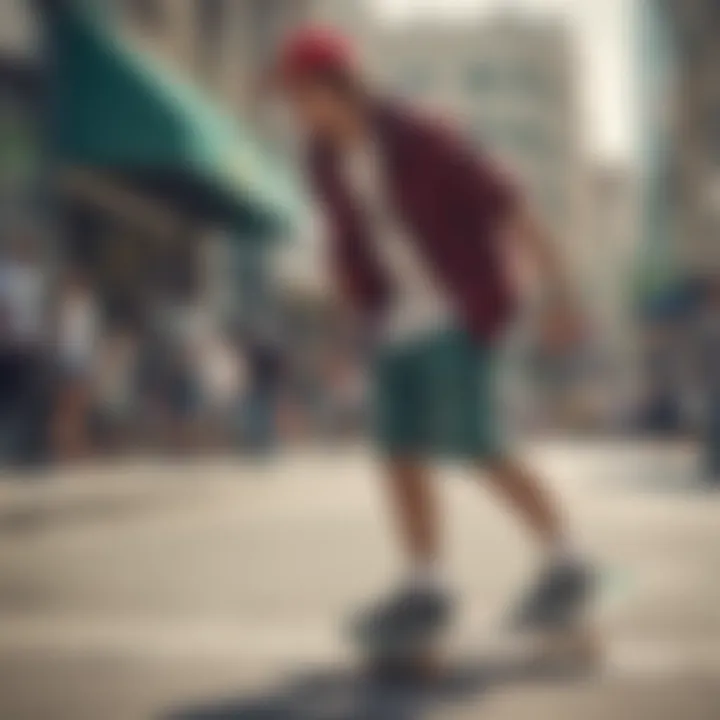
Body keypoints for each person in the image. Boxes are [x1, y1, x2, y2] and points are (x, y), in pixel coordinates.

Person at [270, 27, 596, 645]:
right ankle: (427, 584)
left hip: (460, 304)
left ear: (336, 87)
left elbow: (509, 202)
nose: (295, 109)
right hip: (394, 315)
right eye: (290, 98)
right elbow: (347, 248)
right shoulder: (320, 158)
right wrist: (346, 329)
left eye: (301, 94)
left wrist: (561, 293)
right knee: (397, 448)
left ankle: (568, 558)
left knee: (472, 440)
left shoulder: (421, 136)